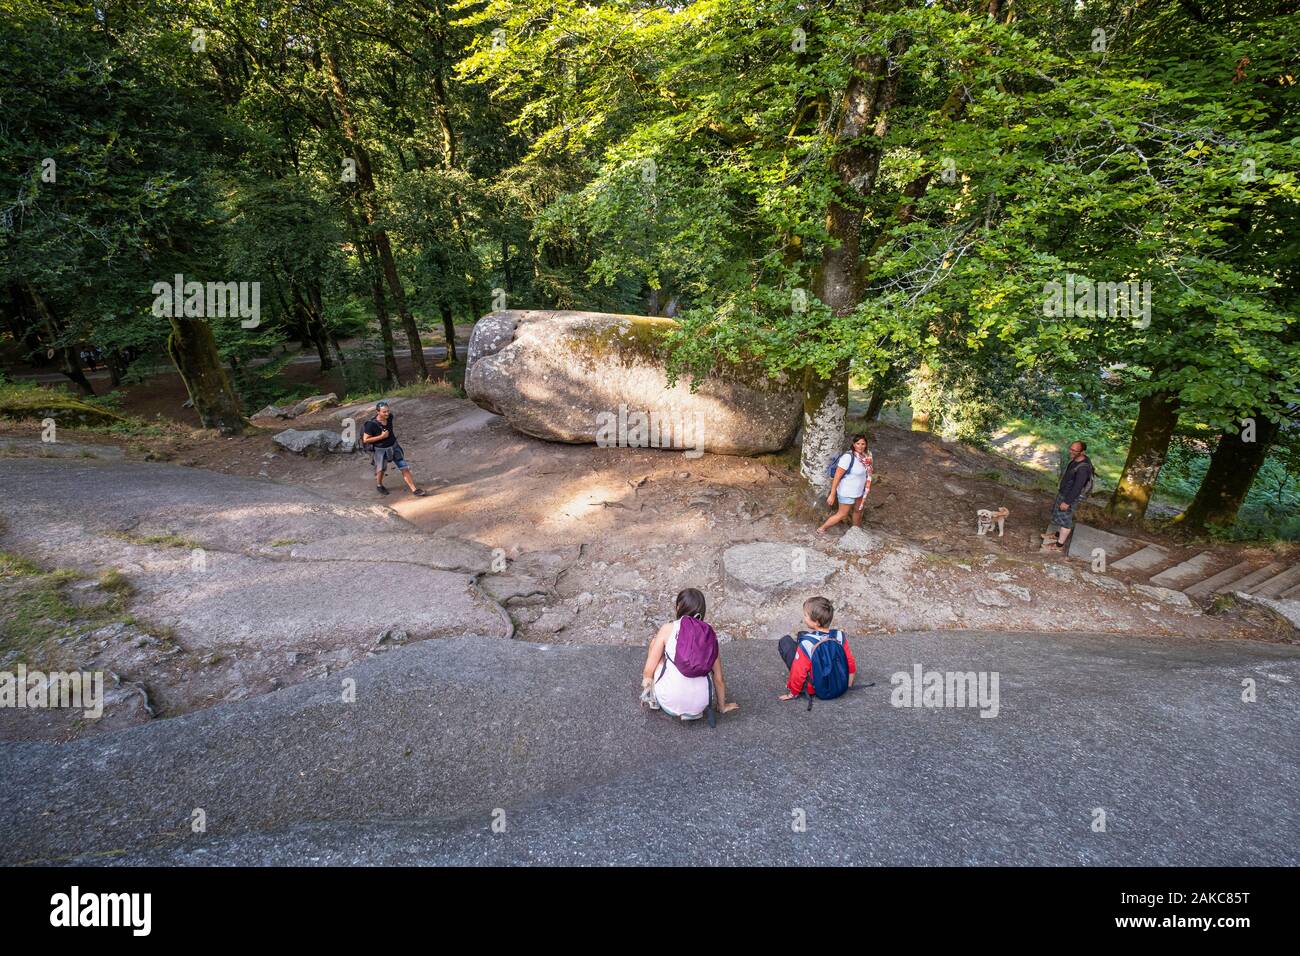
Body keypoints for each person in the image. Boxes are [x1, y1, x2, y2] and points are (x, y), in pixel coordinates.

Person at [640, 588, 739, 721]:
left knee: (654, 644)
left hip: (669, 702)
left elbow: (648, 670)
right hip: (700, 706)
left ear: (678, 607)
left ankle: (651, 695)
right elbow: (718, 678)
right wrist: (722, 706)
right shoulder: (708, 635)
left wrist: (647, 679)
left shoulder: (668, 629)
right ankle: (695, 705)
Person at [778, 596, 857, 702]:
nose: (804, 618)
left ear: (816, 622)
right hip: (838, 681)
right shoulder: (839, 636)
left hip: (814, 688)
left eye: (806, 615)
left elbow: (799, 672)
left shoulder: (807, 644)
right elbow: (850, 661)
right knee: (802, 634)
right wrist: (848, 681)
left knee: (786, 642)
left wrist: (793, 693)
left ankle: (805, 688)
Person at [361, 400, 427, 497]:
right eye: (384, 412)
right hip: (380, 450)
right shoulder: (370, 424)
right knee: (381, 470)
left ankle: (414, 490)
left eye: (388, 411)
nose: (387, 413)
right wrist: (381, 437)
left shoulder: (390, 417)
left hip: (394, 447)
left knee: (404, 467)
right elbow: (365, 440)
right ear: (378, 411)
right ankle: (379, 485)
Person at [1042, 440, 1093, 553]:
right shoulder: (1076, 459)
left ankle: (1059, 545)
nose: (1071, 451)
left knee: (1066, 520)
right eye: (1071, 449)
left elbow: (1077, 487)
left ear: (1082, 451)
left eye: (1074, 450)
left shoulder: (1083, 468)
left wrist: (1067, 502)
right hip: (1064, 493)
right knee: (1060, 516)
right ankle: (1057, 535)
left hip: (1069, 497)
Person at [817, 434, 873, 534]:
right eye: (858, 443)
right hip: (847, 491)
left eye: (863, 444)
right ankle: (822, 528)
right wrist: (832, 494)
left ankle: (856, 532)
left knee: (858, 511)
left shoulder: (866, 456)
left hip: (860, 491)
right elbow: (837, 477)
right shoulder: (848, 457)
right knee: (842, 514)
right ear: (853, 444)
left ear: (866, 445)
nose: (860, 446)